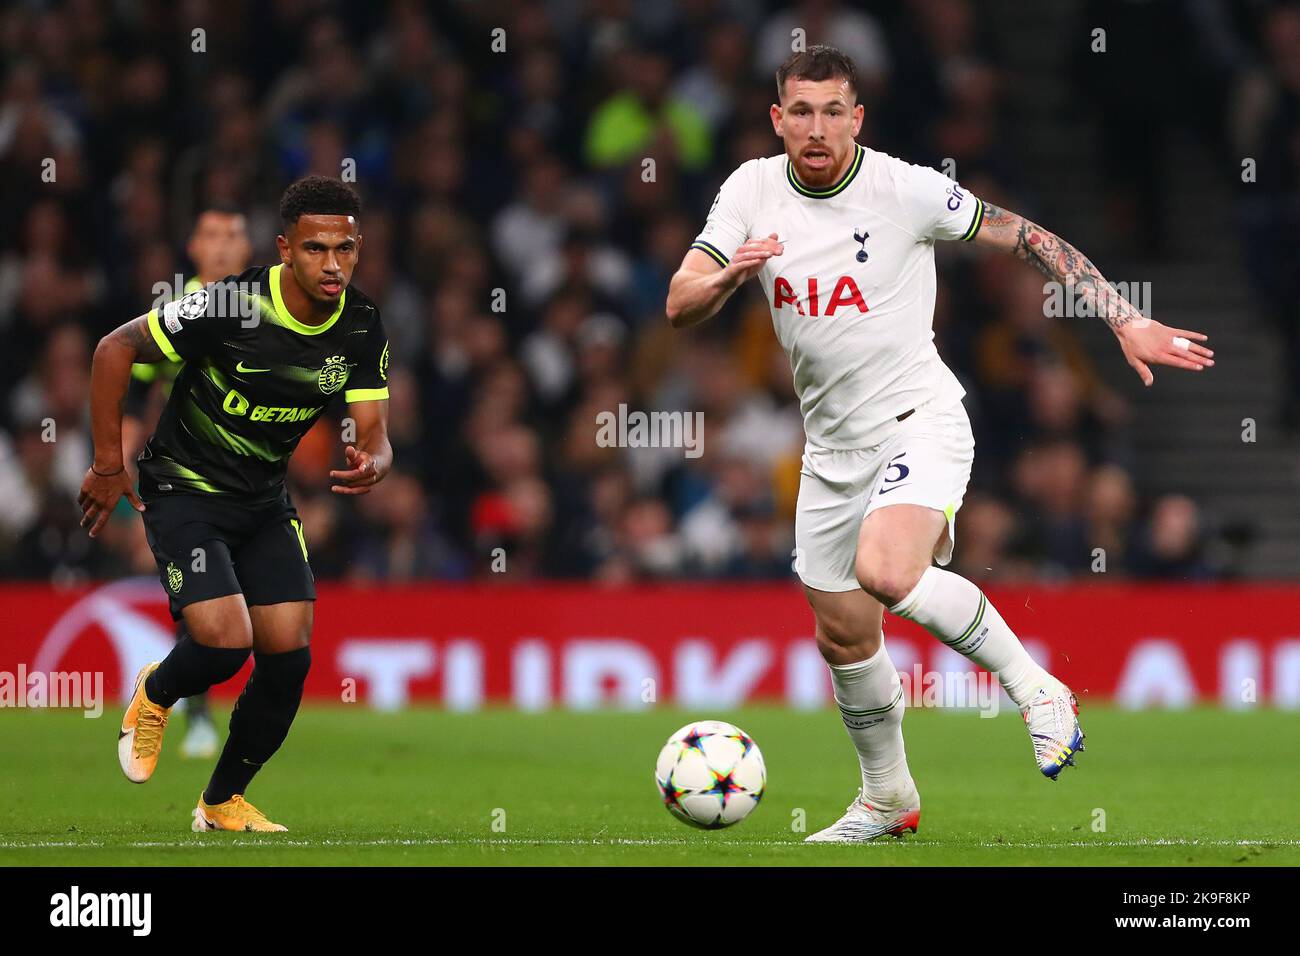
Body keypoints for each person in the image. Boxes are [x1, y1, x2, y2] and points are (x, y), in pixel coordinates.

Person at [666, 46, 1214, 842]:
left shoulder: (905, 189)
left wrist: (1122, 316)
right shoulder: (750, 189)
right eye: (802, 113)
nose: (817, 129)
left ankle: (1037, 689)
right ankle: (888, 798)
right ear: (778, 120)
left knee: (887, 572)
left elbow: (1025, 236)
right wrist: (725, 277)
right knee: (843, 632)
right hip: (829, 453)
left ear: (858, 117)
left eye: (834, 111)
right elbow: (682, 302)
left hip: (918, 418)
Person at [79, 176, 393, 832]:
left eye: (345, 248)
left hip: (262, 499)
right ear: (285, 249)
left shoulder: (361, 323)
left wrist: (375, 462)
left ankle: (220, 802)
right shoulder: (232, 305)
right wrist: (109, 464)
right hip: (185, 488)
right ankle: (156, 690)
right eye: (315, 249)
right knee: (225, 643)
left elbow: (376, 433)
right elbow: (114, 349)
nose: (332, 264)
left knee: (289, 655)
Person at [122, 203, 254, 761]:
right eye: (211, 235)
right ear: (193, 249)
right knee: (206, 599)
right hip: (180, 483)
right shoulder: (172, 312)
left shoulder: (263, 311)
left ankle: (238, 715)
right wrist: (121, 473)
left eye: (233, 235)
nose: (222, 245)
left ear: (250, 249)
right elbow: (134, 394)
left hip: (249, 484)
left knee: (247, 609)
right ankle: (193, 711)